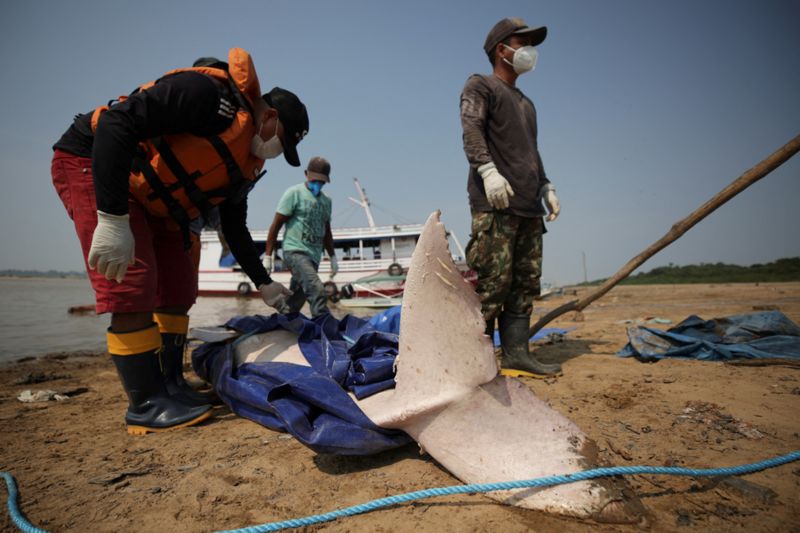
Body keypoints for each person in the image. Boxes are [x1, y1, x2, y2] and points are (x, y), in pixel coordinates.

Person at [50, 48, 308, 434]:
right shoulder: (205, 94)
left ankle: (170, 385)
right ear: (269, 117)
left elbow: (234, 225)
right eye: (281, 142)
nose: (274, 153)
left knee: (179, 285)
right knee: (132, 282)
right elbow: (116, 124)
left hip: (157, 202)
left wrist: (264, 283)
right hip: (95, 162)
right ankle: (146, 404)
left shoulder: (245, 164)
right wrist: (112, 217)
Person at [460, 18, 563, 378]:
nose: (528, 51)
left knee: (524, 282)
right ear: (501, 49)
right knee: (492, 282)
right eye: (522, 43)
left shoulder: (526, 103)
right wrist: (487, 171)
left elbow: (530, 151)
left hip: (528, 206)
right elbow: (471, 128)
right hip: (496, 205)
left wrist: (546, 185)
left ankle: (517, 352)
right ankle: (476, 362)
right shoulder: (481, 85)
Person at [264, 156, 337, 317]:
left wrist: (332, 256)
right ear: (306, 174)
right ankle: (325, 328)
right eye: (315, 180)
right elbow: (276, 225)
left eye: (322, 181)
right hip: (295, 251)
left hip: (314, 255)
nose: (318, 184)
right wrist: (268, 255)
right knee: (317, 290)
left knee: (297, 297)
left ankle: (284, 319)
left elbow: (327, 231)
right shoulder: (294, 193)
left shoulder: (326, 201)